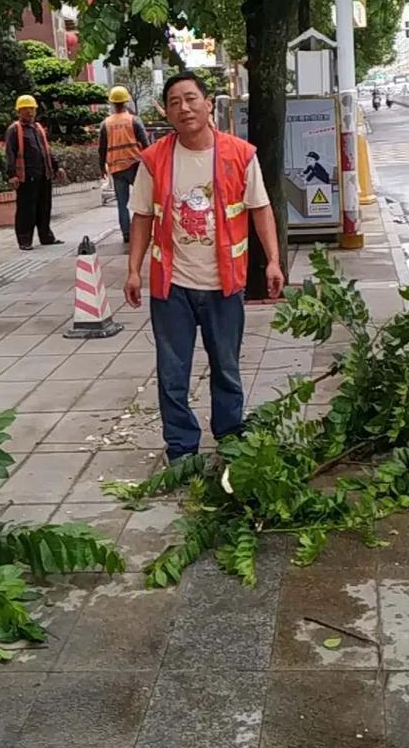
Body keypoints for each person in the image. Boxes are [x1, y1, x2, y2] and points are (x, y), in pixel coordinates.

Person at [125, 71, 284, 462]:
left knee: (226, 368)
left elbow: (260, 208)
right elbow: (142, 216)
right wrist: (133, 269)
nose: (184, 107)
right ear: (167, 110)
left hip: (223, 284)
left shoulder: (240, 155)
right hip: (171, 287)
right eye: (175, 101)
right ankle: (181, 449)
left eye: (191, 98)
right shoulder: (154, 160)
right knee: (172, 374)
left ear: (209, 103)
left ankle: (230, 437)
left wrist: (274, 261)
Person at [5, 95, 65, 251]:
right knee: (26, 209)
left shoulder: (38, 128)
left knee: (44, 207)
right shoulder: (15, 129)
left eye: (32, 109)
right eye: (26, 109)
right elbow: (10, 153)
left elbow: (46, 150)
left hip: (43, 174)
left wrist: (56, 167)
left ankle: (46, 237)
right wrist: (11, 175)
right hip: (26, 176)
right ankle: (25, 240)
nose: (30, 112)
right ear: (19, 111)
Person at [98, 86, 149, 245]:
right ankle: (146, 231)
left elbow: (102, 148)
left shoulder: (105, 123)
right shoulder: (134, 120)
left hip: (116, 168)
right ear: (126, 101)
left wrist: (102, 168)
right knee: (143, 200)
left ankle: (126, 234)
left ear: (112, 103)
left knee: (122, 204)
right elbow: (146, 144)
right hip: (134, 164)